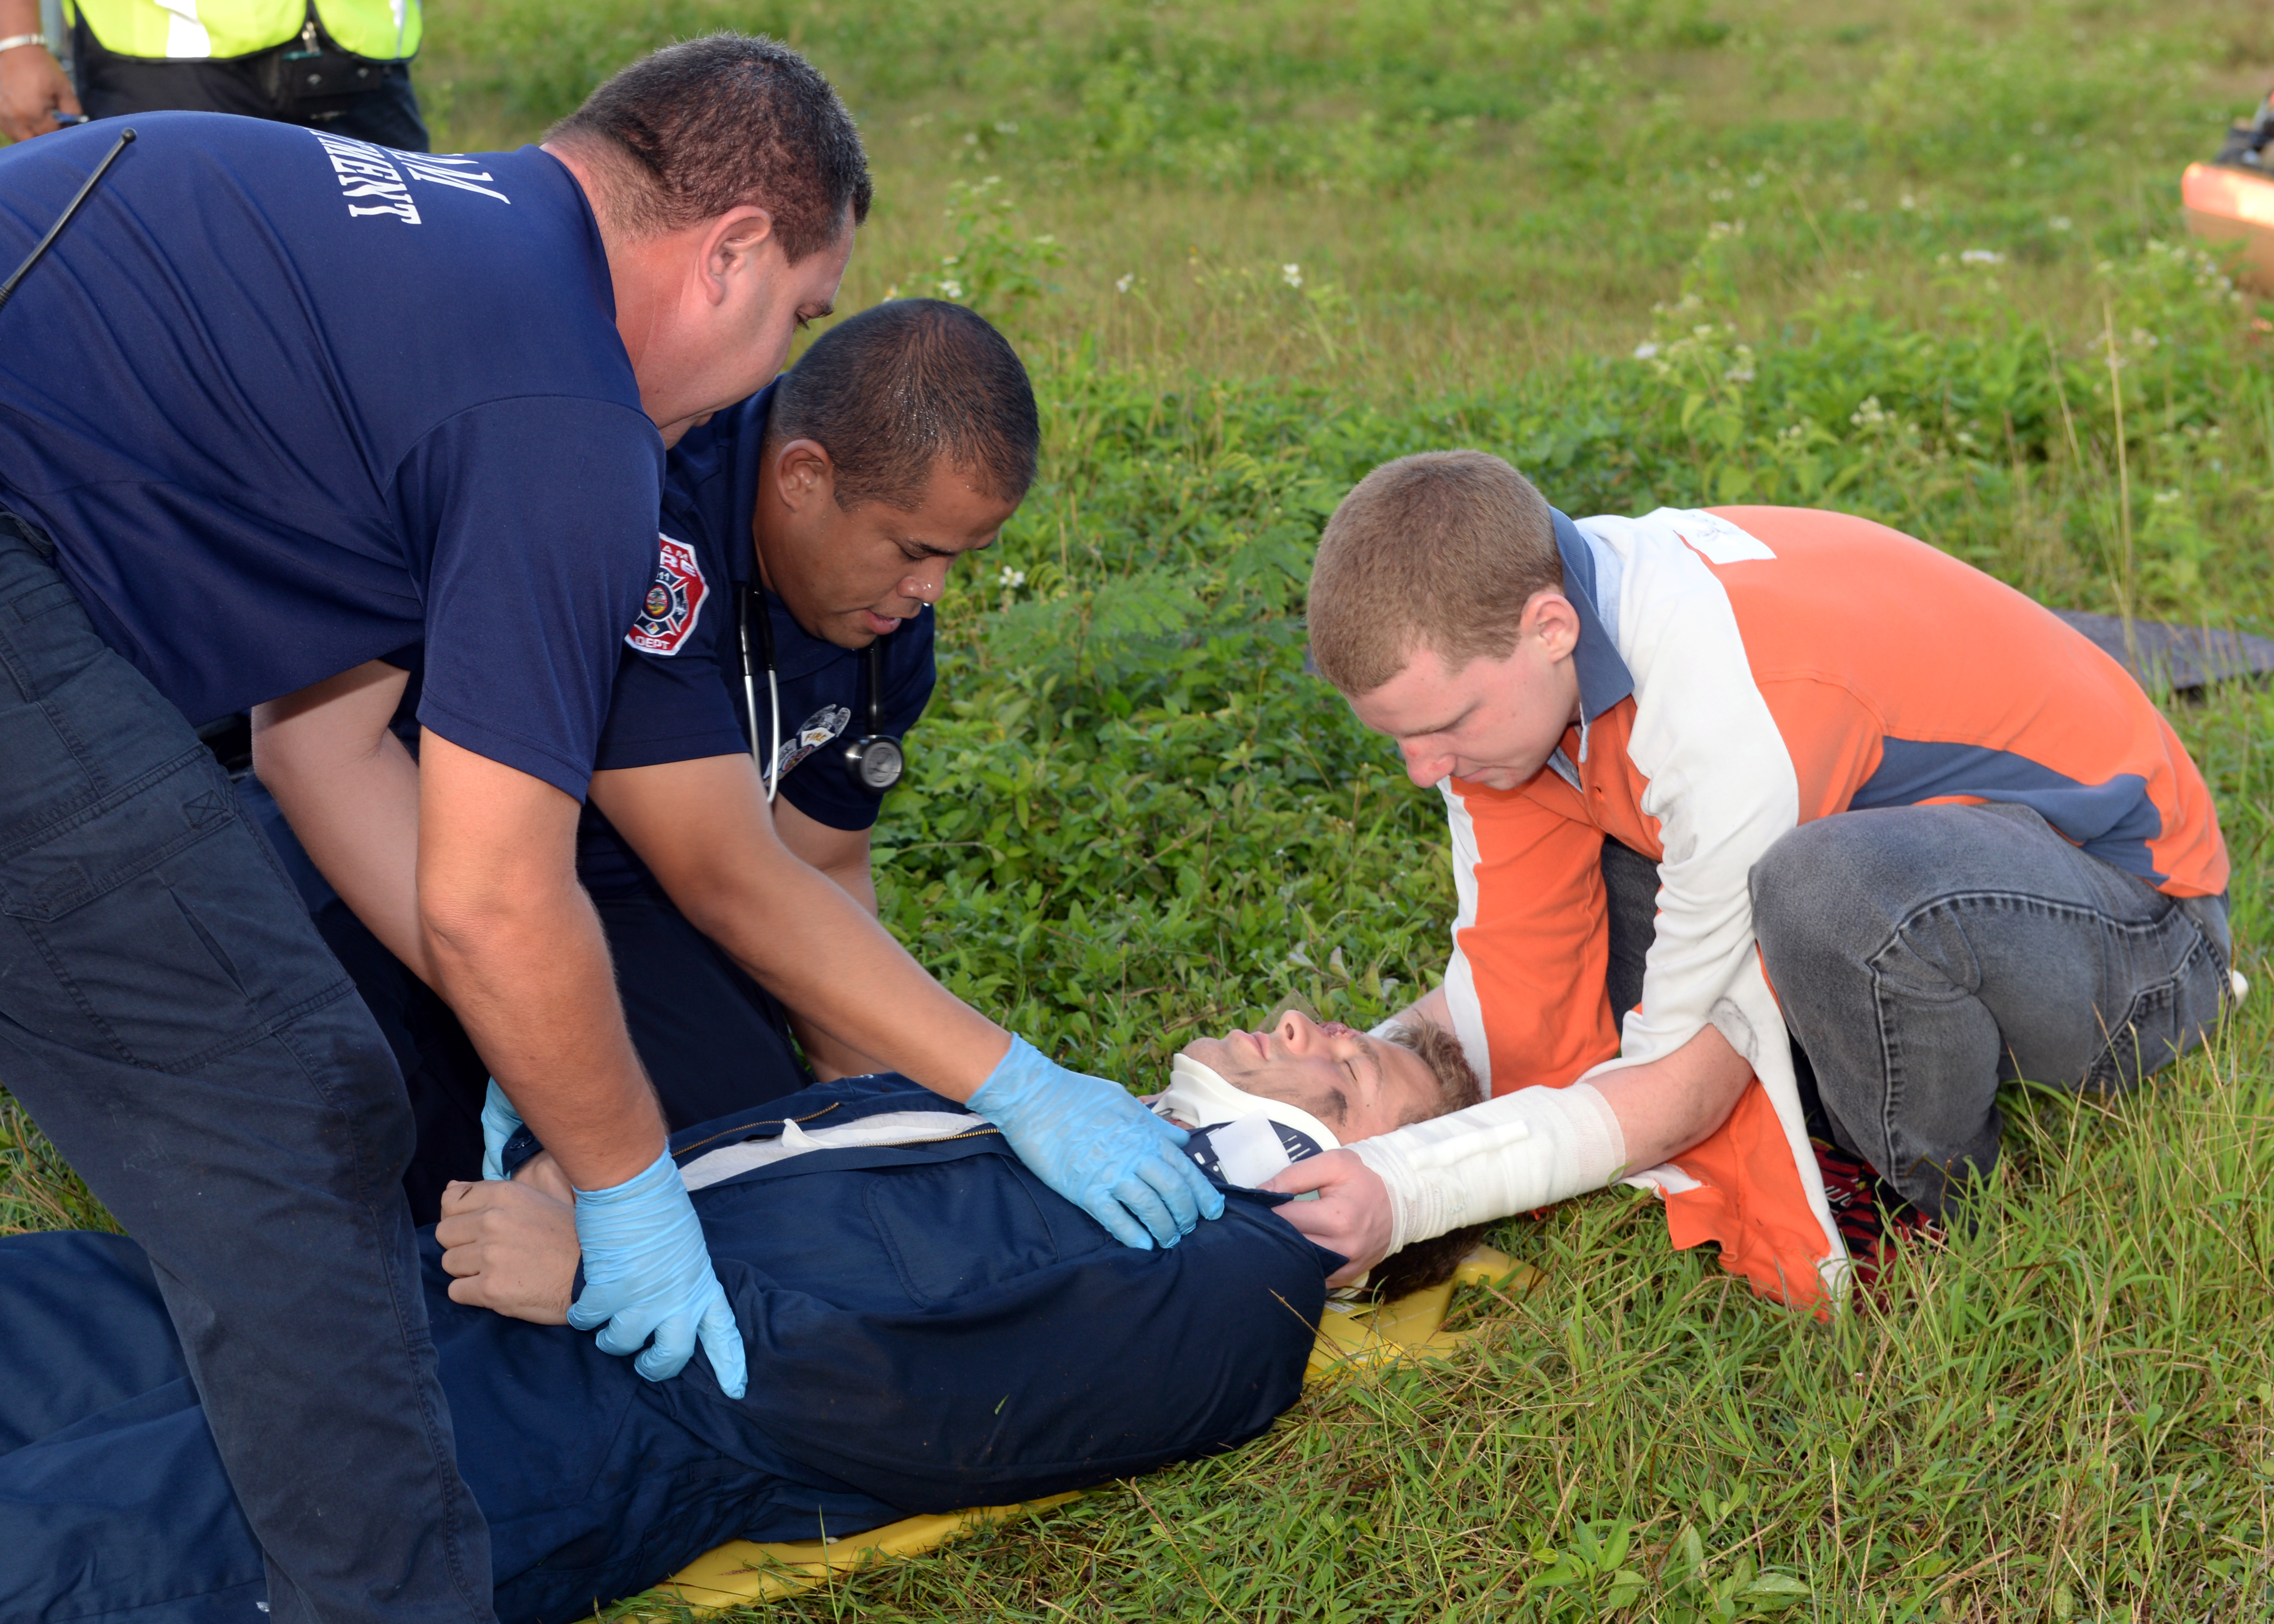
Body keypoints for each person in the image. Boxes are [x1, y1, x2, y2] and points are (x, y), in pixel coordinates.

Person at [0, 34, 1201, 1624]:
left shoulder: (431, 251)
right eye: (800, 313)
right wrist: (627, 1187)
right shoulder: (566, 417)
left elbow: (326, 744)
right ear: (729, 253)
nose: (781, 356)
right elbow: (505, 899)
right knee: (291, 1107)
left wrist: (525, 1054)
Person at [0, 1013, 1478, 1624]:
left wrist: (591, 1280)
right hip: (492, 1284)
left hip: (606, 1414)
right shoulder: (1103, 1136)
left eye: (1339, 1080)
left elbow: (936, 1420)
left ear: (1349, 1223)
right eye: (1325, 1026)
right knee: (54, 1313)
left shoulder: (1238, 1290)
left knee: (99, 1530)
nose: (1298, 1033)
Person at [1271, 452, 2236, 1304]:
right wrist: (1323, 1080)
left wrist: (1407, 1187)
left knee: (1823, 890)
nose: (1422, 769)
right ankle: (1834, 1062)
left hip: (2140, 929)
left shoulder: (1716, 700)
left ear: (1550, 628)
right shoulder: (1515, 640)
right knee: (1654, 899)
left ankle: (1933, 1203)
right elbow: (1517, 983)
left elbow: (1674, 1078)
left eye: (1442, 727)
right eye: (1398, 739)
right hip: (1950, 862)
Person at [247, 299, 1036, 1216]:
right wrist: (1017, 1081)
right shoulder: (643, 522)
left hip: (631, 899)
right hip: (418, 849)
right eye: (913, 549)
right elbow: (726, 877)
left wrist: (884, 1125)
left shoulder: (884, 617)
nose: (929, 589)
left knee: (752, 1166)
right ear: (804, 475)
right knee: (399, 1173)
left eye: (957, 558)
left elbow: (820, 866)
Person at [0, 0, 428, 149]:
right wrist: (15, 40)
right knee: (181, 307)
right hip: (165, 61)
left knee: (397, 287)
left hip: (364, 47)